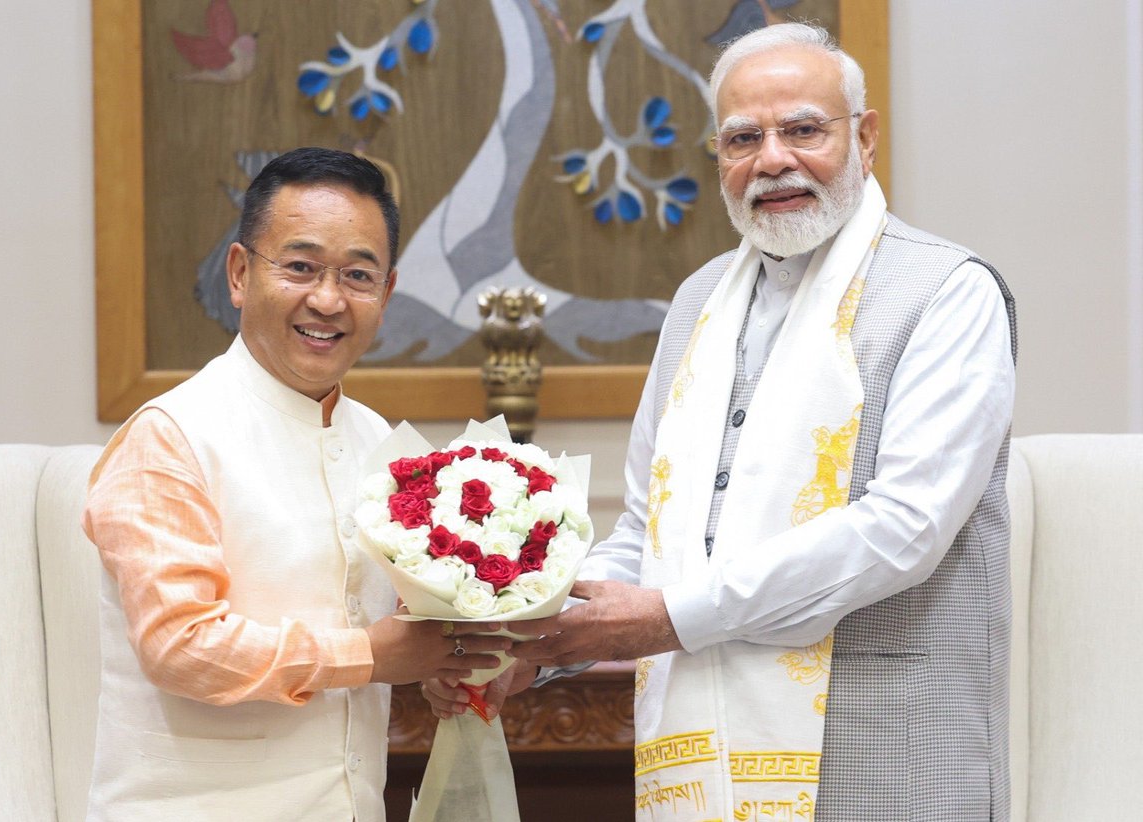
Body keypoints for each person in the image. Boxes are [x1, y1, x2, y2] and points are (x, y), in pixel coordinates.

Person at [426, 23, 1016, 821]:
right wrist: (530, 644)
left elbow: (902, 527)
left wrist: (669, 619)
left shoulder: (947, 291)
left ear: (866, 138)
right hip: (703, 755)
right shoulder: (699, 305)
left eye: (803, 129)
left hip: (880, 750)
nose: (772, 160)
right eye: (743, 138)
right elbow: (647, 532)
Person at [82, 147, 510, 821]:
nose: (328, 299)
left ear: (387, 294)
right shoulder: (170, 435)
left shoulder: (389, 449)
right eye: (301, 267)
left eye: (357, 275)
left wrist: (444, 670)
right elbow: (180, 645)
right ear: (240, 273)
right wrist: (368, 656)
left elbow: (416, 630)